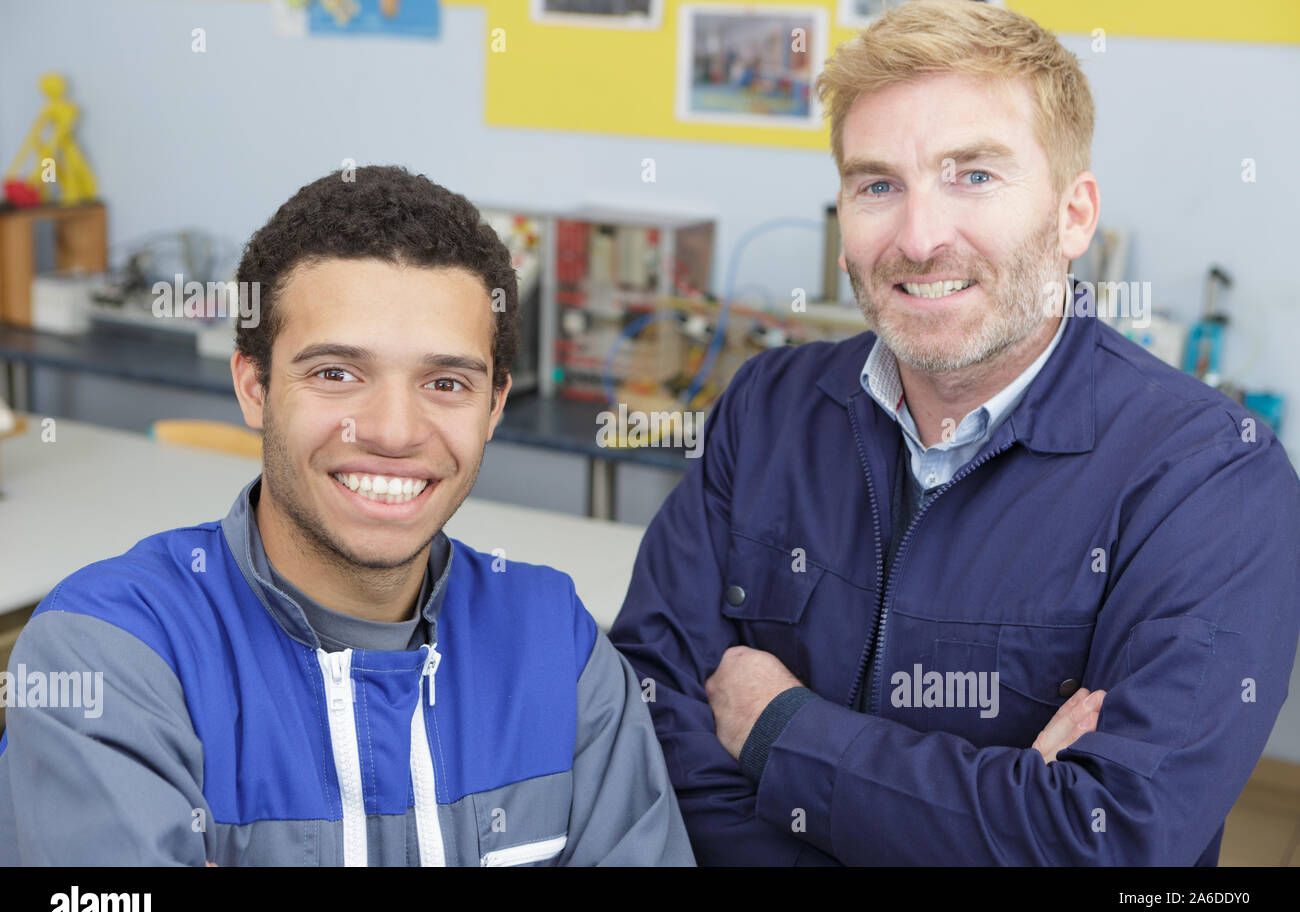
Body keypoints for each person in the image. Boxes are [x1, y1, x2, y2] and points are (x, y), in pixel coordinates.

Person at [609, 0, 1300, 865]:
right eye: (877, 185)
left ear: (1074, 215)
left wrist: (781, 730)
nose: (921, 237)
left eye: (974, 175)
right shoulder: (767, 407)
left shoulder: (1211, 478)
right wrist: (994, 813)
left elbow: (1112, 838)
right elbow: (641, 714)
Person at [0, 165, 694, 867]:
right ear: (254, 386)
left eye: (446, 382)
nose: (393, 431)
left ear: (495, 406)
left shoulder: (558, 646)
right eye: (336, 373)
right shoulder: (107, 656)